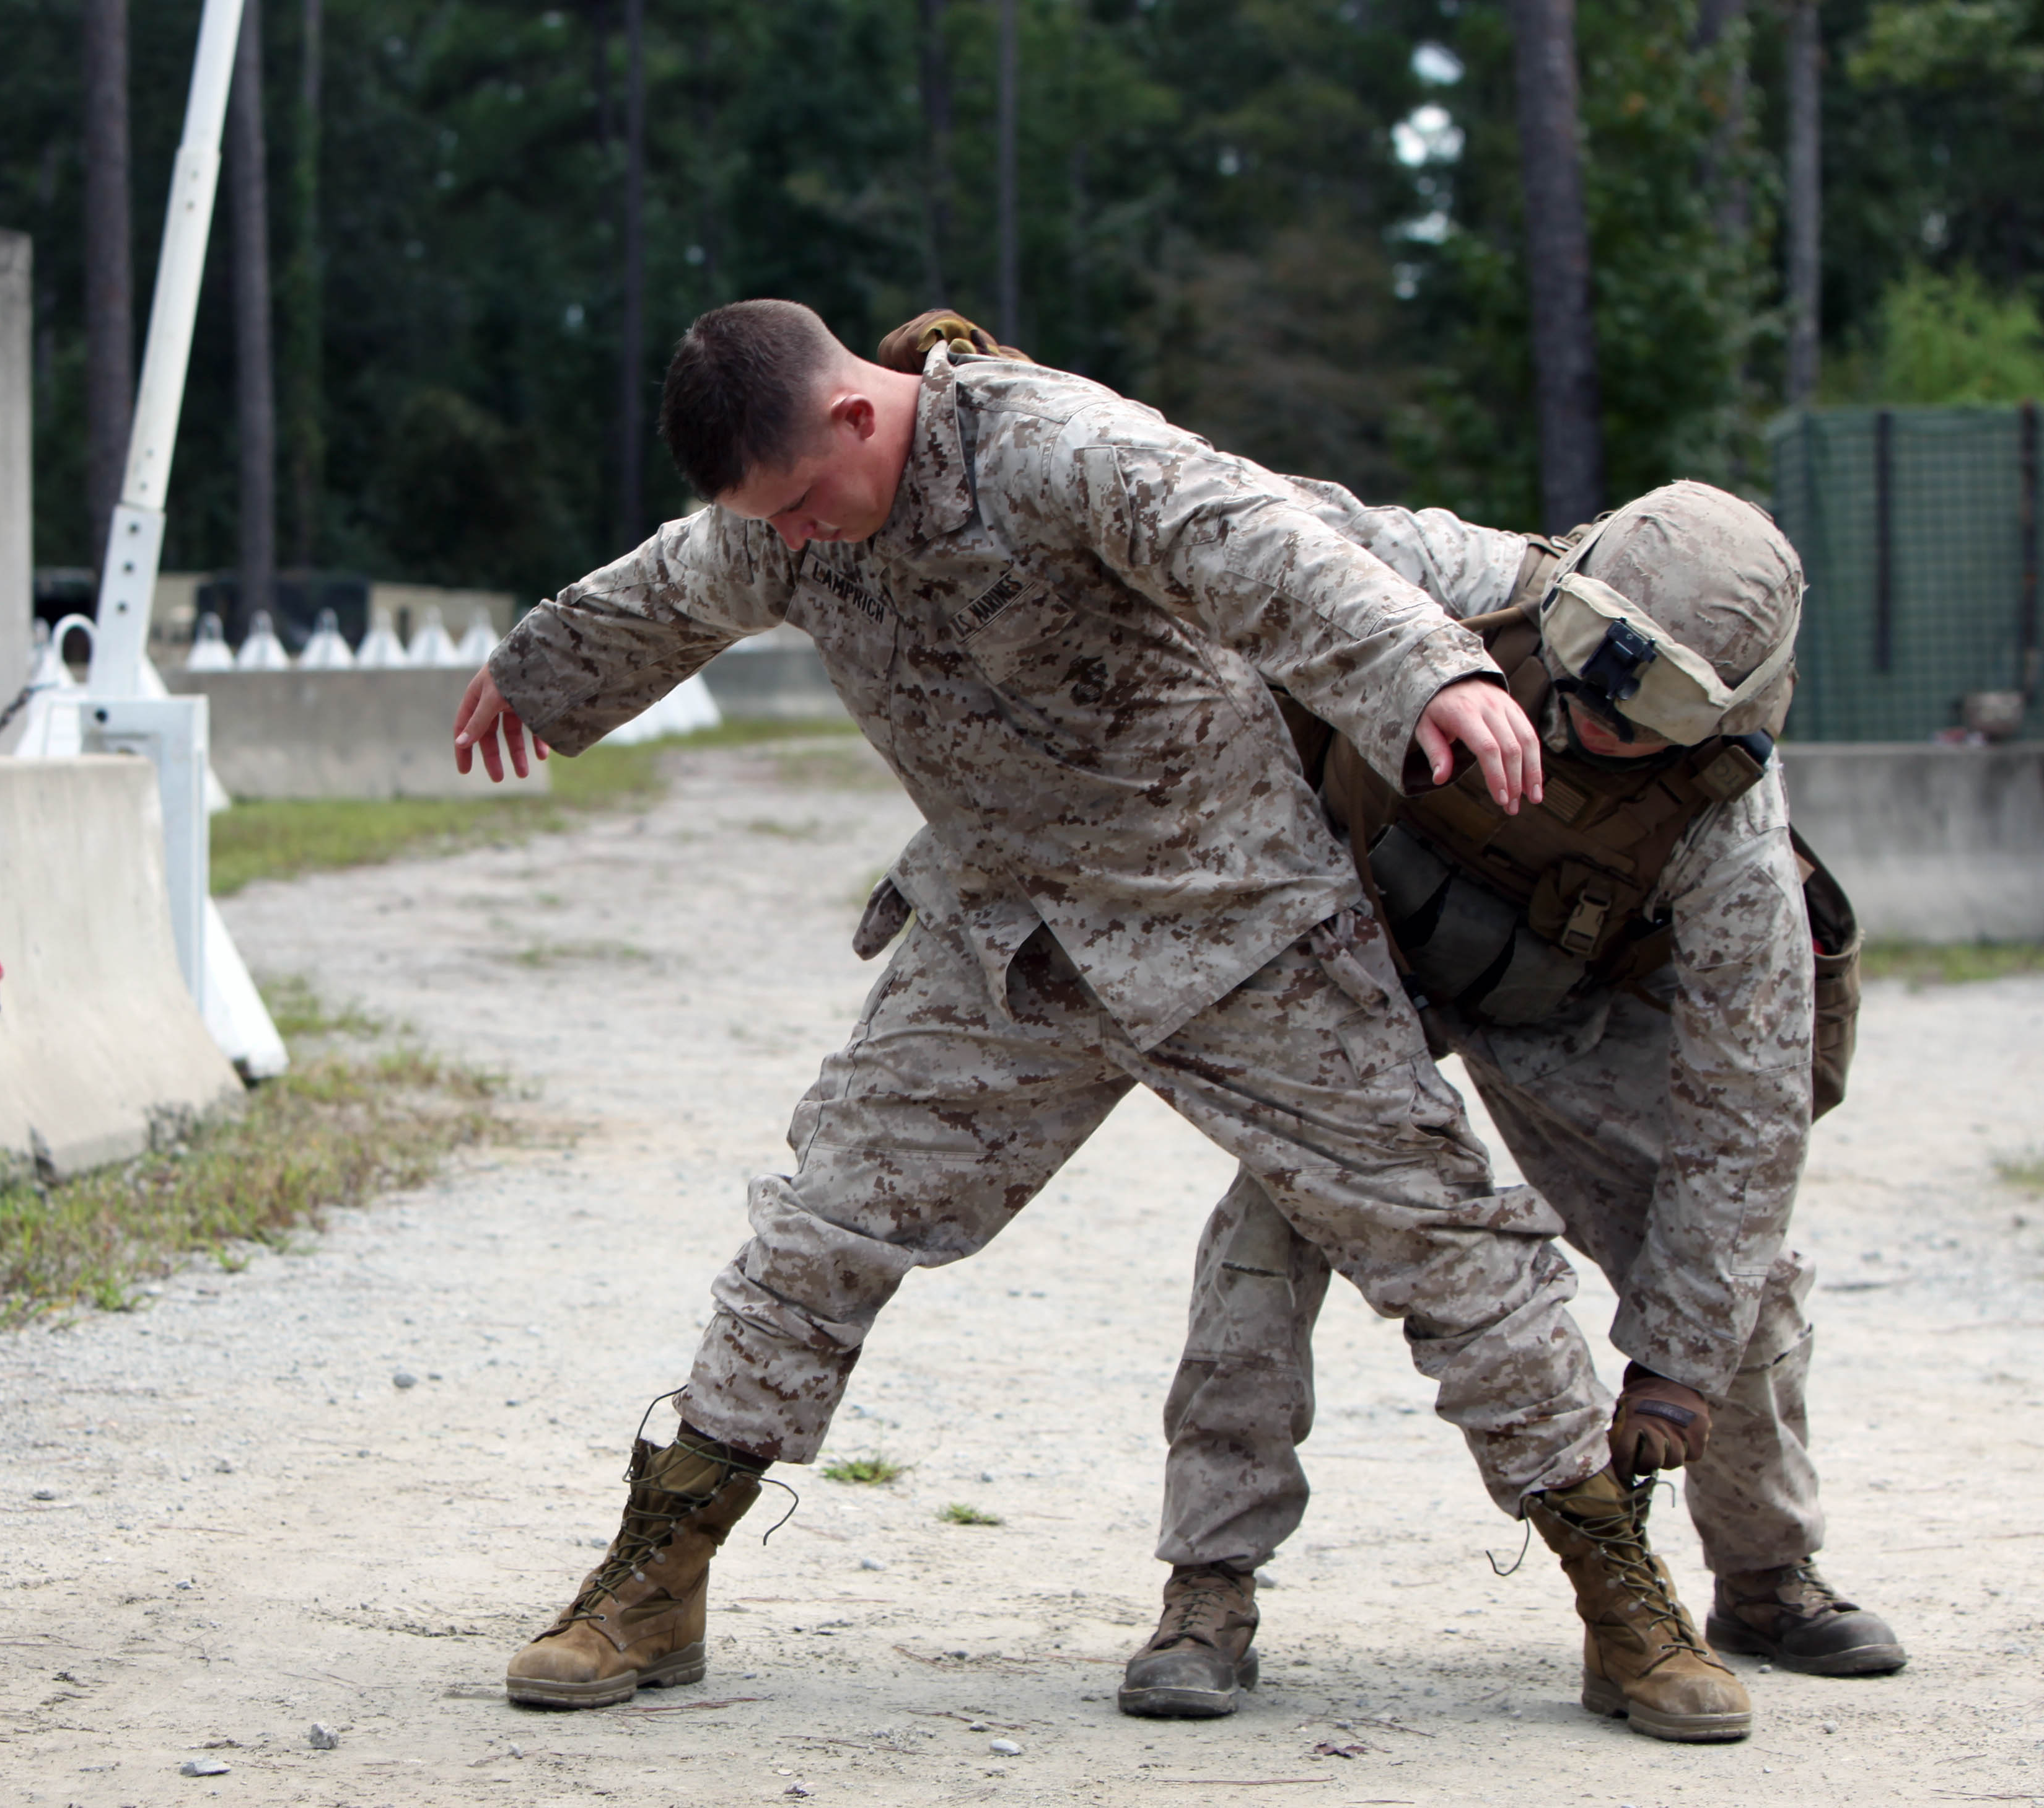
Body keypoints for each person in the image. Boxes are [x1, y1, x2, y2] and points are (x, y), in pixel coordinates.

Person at [455, 299, 1748, 1744]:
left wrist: (1423, 670)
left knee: (1448, 1245)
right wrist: (538, 672)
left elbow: (1256, 541)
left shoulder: (1056, 450)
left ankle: (1620, 1598)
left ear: (850, 410)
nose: (800, 539)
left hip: (1238, 922)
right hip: (1009, 939)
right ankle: (655, 1580)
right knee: (815, 1234)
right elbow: (668, 586)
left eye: (809, 501)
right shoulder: (779, 522)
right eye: (775, 522)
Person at [1125, 479, 1899, 1729]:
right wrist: (998, 402)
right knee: (1266, 1234)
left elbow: (1742, 1111)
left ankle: (1761, 1576)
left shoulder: (1727, 822)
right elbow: (1223, 512)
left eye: (1646, 711)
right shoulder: (1451, 574)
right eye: (1585, 668)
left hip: (1573, 1003)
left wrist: (1672, 1369)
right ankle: (1206, 1582)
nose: (1593, 720)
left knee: (1742, 1288)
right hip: (1364, 957)